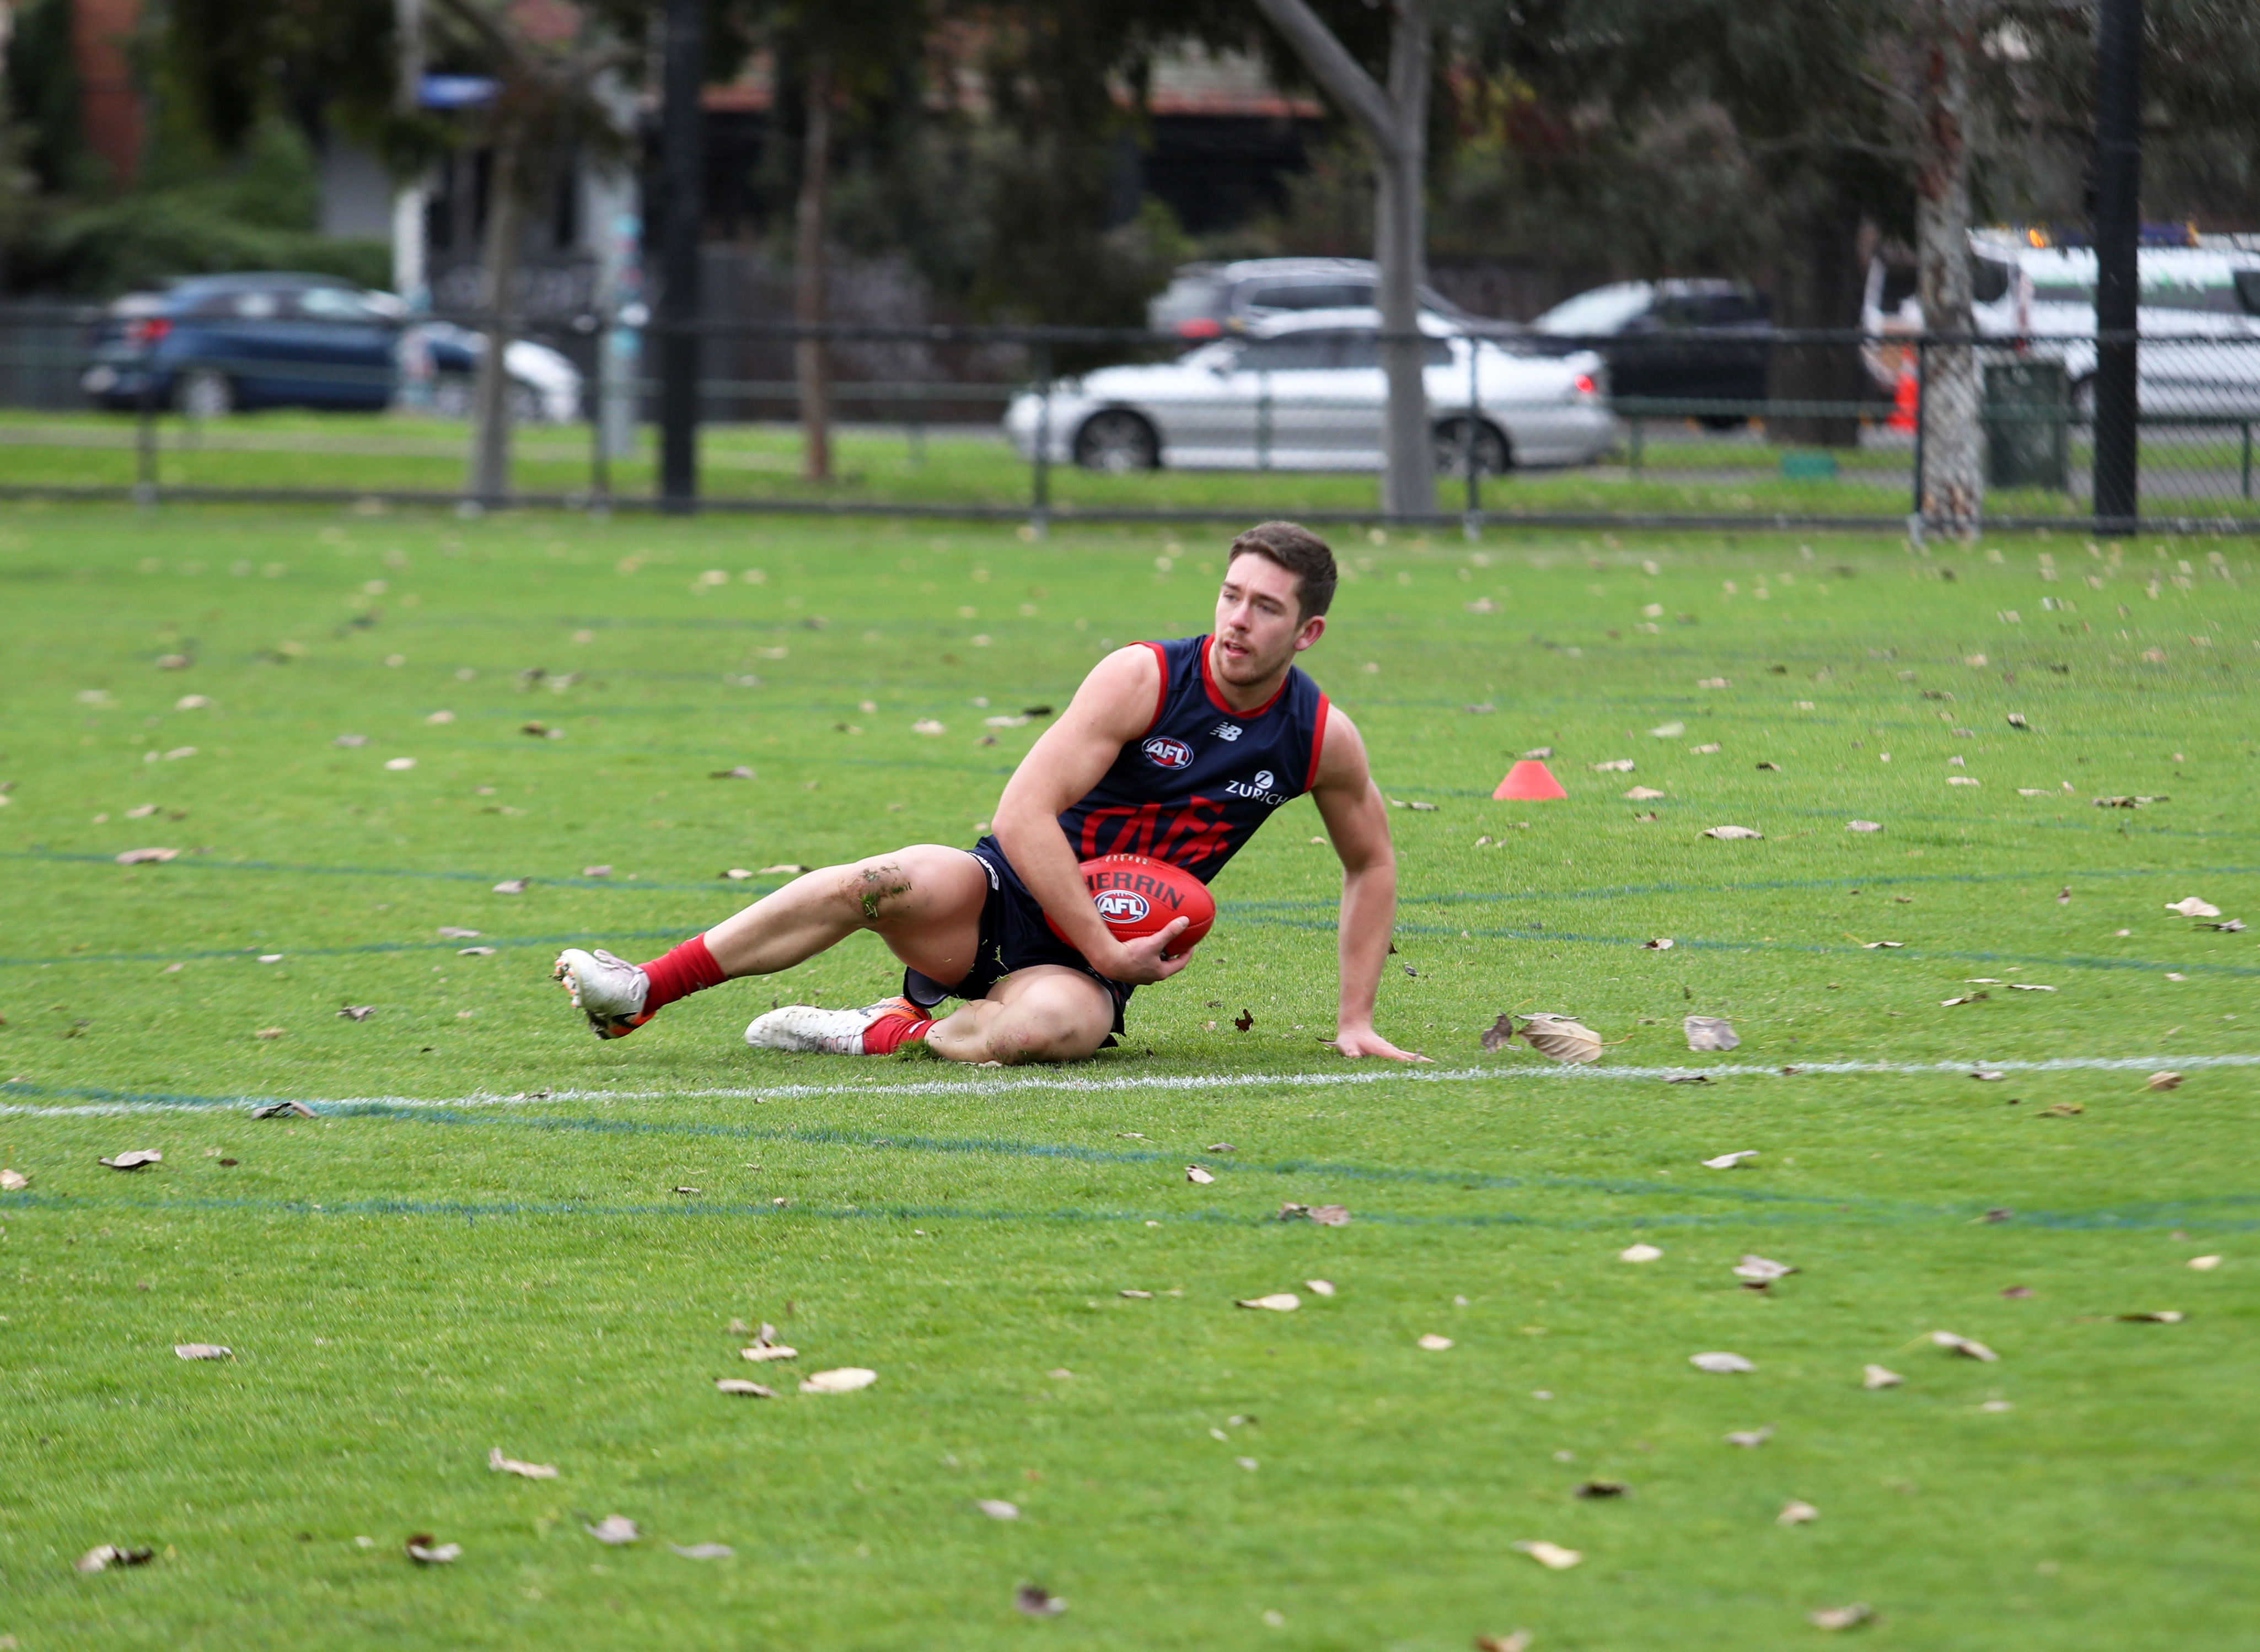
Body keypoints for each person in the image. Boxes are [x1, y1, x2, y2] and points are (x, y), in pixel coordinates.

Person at [553, 520, 1426, 1066]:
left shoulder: (1318, 736)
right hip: (998, 897)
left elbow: (1372, 862)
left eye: (1266, 607)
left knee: (1038, 1033)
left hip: (1083, 967)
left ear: (1308, 631)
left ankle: (881, 1029)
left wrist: (1355, 1018)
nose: (1238, 619)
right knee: (879, 881)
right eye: (1231, 595)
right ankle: (642, 991)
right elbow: (1020, 815)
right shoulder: (1145, 677)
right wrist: (1109, 945)